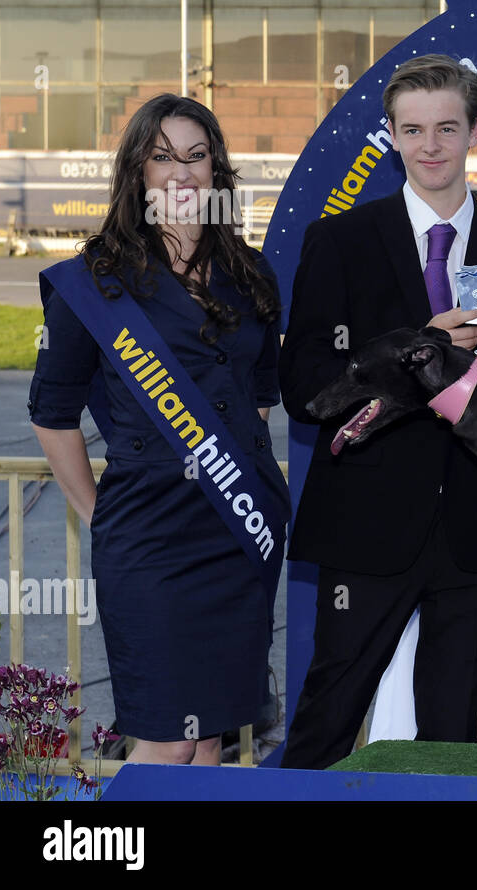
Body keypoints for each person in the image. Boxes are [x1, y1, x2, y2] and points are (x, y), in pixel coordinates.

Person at [278, 54, 477, 770]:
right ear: (393, 135)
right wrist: (419, 349)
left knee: (451, 749)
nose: (431, 146)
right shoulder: (339, 241)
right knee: (324, 730)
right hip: (364, 529)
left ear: (475, 131)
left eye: (447, 128)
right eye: (413, 130)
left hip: (471, 531)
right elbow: (304, 388)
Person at [29, 94, 287, 765]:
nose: (181, 173)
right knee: (169, 741)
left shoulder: (249, 275)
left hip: (236, 531)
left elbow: (258, 399)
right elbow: (52, 415)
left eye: (196, 156)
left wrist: (237, 476)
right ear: (138, 172)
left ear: (216, 170)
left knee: (210, 739)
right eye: (163, 156)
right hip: (147, 537)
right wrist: (99, 515)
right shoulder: (96, 282)